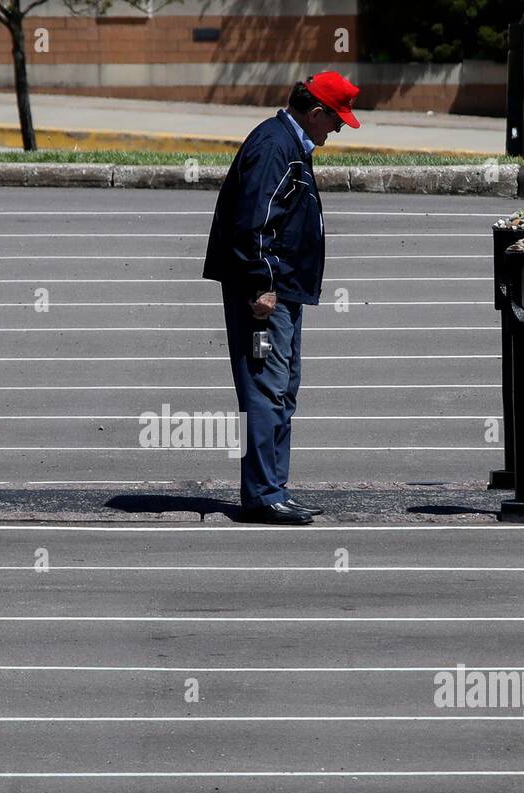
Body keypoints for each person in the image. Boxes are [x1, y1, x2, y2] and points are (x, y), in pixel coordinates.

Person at [203, 72, 360, 525]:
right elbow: (254, 223)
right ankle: (264, 495)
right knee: (267, 390)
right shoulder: (276, 148)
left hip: (282, 290)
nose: (336, 130)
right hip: (265, 294)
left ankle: (273, 488)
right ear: (316, 113)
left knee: (280, 390)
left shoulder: (288, 144)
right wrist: (262, 284)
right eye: (335, 121)